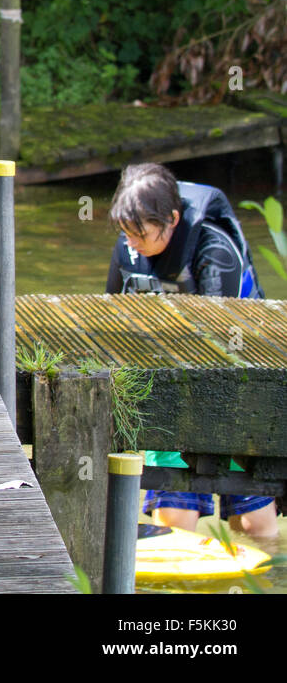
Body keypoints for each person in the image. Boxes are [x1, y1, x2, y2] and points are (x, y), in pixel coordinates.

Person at [106, 162, 278, 538]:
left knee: (256, 528)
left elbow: (220, 340)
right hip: (169, 390)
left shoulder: (215, 250)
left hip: (240, 388)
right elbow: (111, 314)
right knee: (176, 523)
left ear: (172, 219)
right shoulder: (129, 245)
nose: (130, 242)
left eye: (140, 233)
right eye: (125, 232)